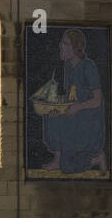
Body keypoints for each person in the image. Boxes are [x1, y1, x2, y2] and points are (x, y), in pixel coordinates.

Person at [42, 28, 106, 174]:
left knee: (68, 167)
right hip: (75, 114)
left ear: (75, 48)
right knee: (51, 115)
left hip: (89, 120)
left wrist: (78, 107)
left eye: (65, 43)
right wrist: (58, 107)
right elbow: (71, 95)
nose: (61, 46)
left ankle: (96, 158)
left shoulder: (88, 67)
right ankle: (57, 158)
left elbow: (97, 100)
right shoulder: (68, 66)